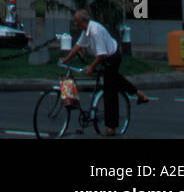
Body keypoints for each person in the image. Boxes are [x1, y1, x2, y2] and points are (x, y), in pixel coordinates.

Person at [59, 8, 149, 136]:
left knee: (109, 91)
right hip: (106, 56)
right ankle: (139, 94)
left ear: (83, 22)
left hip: (113, 56)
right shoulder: (86, 31)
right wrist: (66, 59)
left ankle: (111, 128)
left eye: (76, 22)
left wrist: (91, 67)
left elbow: (102, 54)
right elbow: (78, 45)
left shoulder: (95, 31)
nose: (75, 24)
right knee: (116, 79)